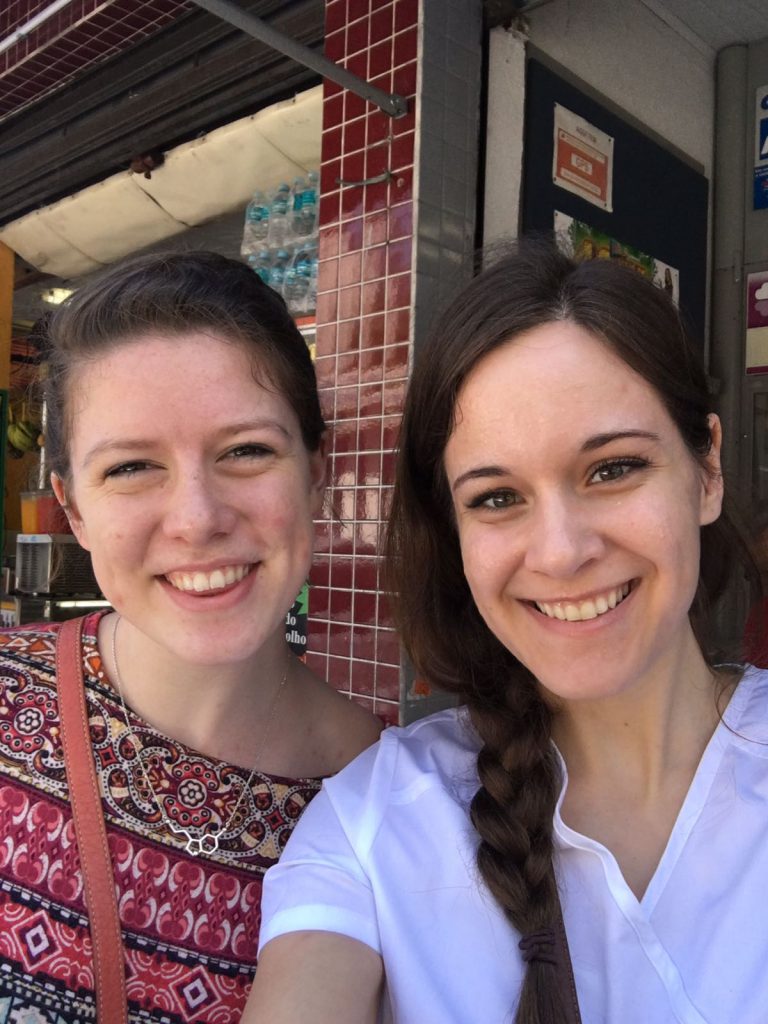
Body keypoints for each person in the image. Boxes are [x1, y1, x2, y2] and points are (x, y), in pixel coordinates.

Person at [244, 243, 766, 1024]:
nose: (561, 551)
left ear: (708, 470)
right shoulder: (376, 825)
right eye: (495, 498)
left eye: (613, 469)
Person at [0, 251, 381, 1022]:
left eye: (246, 451)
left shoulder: (395, 808)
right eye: (134, 467)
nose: (198, 518)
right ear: (74, 510)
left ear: (318, 472)